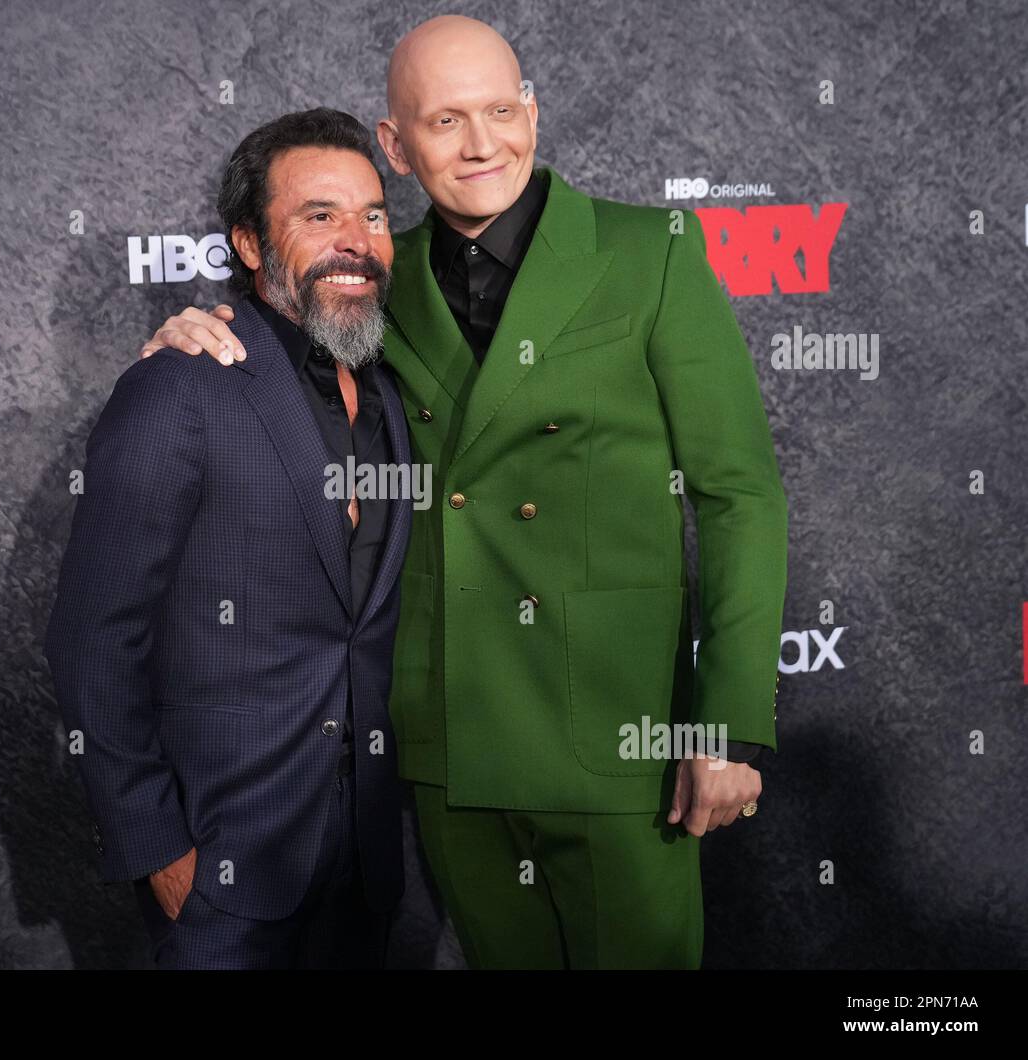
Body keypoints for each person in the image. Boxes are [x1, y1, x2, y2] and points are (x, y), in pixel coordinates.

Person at [140, 14, 787, 969]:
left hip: (624, 738)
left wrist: (724, 724)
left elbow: (739, 495)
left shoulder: (648, 254)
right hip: (451, 739)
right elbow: (268, 353)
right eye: (446, 122)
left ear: (532, 110)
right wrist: (184, 340)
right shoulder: (372, 279)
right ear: (396, 146)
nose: (483, 143)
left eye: (500, 109)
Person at [44, 108, 415, 968]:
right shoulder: (180, 388)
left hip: (366, 868)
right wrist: (161, 857)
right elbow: (90, 642)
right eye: (318, 216)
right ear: (249, 244)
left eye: (372, 215)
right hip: (225, 876)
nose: (354, 241)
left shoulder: (391, 393)